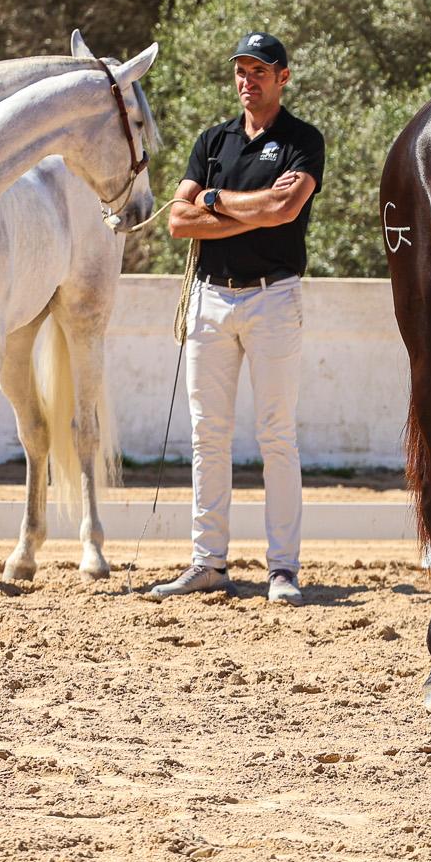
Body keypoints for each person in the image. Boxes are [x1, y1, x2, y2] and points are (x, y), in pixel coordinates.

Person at [150, 32, 324, 605]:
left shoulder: (302, 141)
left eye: (259, 71)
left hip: (274, 297)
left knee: (277, 435)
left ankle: (283, 569)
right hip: (210, 298)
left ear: (282, 77)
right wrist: (250, 209)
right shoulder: (212, 140)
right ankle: (208, 562)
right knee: (208, 435)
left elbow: (286, 208)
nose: (248, 80)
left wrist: (215, 200)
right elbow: (177, 220)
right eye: (241, 71)